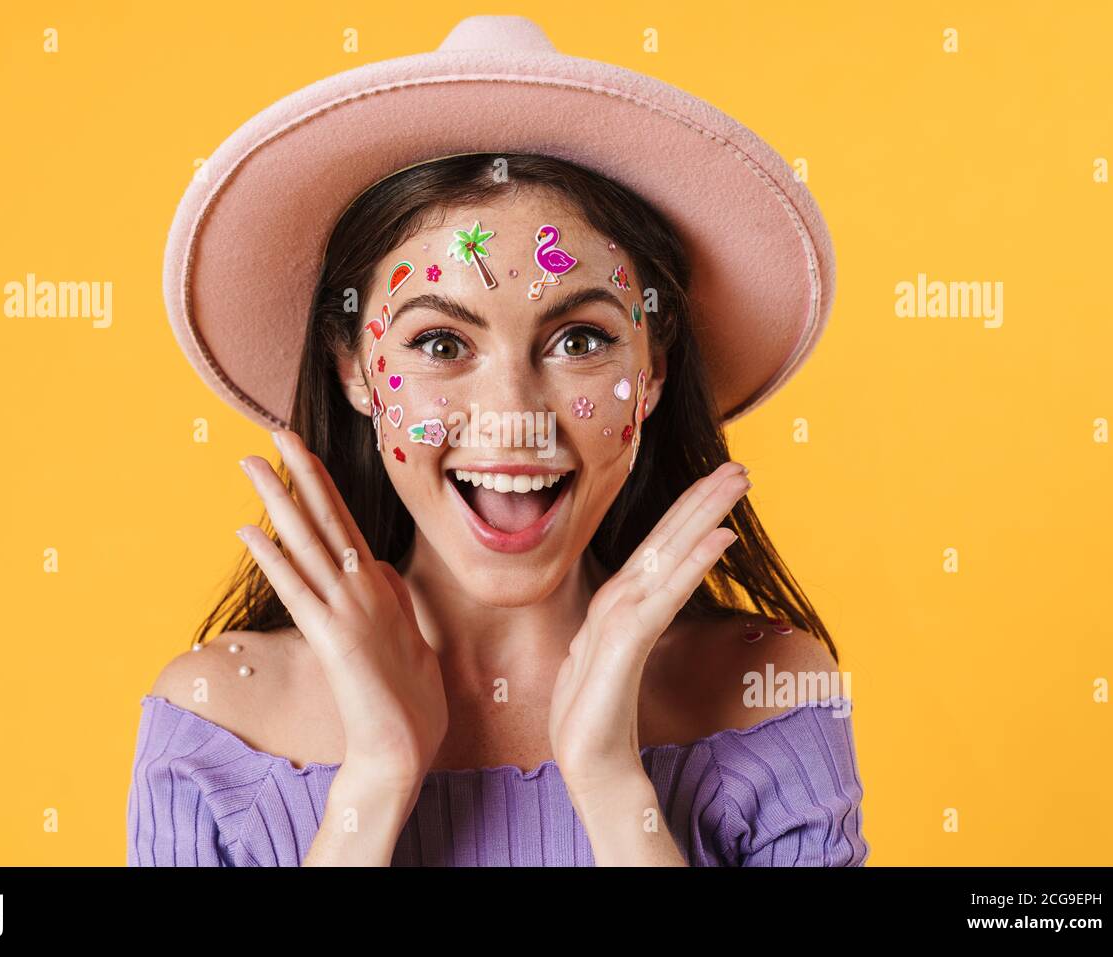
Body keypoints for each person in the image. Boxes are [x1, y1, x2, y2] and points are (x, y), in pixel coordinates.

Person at [128, 17, 867, 867]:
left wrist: (610, 780)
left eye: (580, 340)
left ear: (654, 367)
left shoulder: (766, 697)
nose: (513, 415)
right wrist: (373, 781)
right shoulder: (218, 721)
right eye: (441, 344)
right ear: (355, 370)